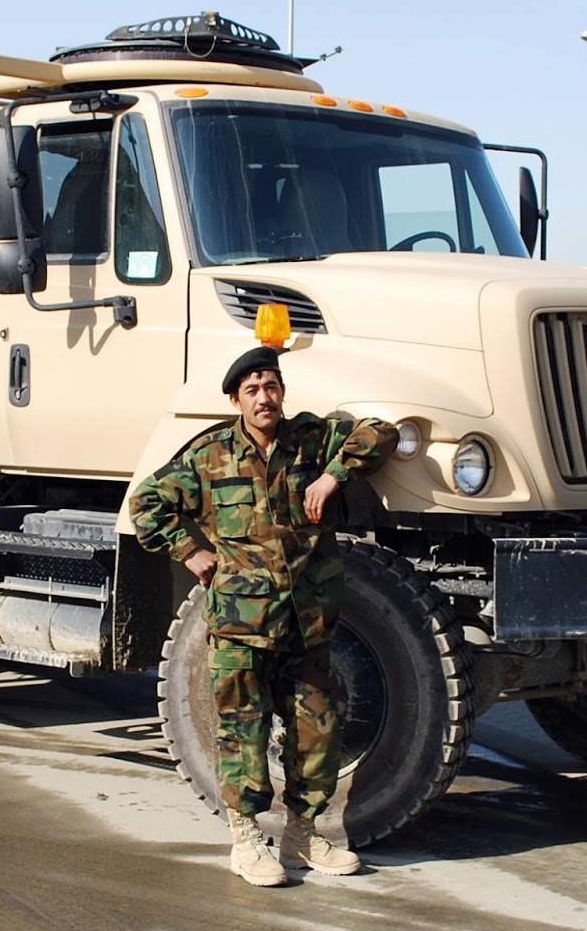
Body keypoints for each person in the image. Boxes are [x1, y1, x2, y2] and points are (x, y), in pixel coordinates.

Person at [130, 346, 399, 886]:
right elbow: (146, 504)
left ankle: (303, 836)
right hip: (241, 626)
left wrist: (334, 476)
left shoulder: (311, 440)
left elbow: (382, 432)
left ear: (282, 392)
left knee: (315, 733)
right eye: (252, 390)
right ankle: (247, 839)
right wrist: (191, 552)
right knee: (242, 733)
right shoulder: (209, 455)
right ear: (235, 400)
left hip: (306, 622)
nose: (264, 398)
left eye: (271, 386)